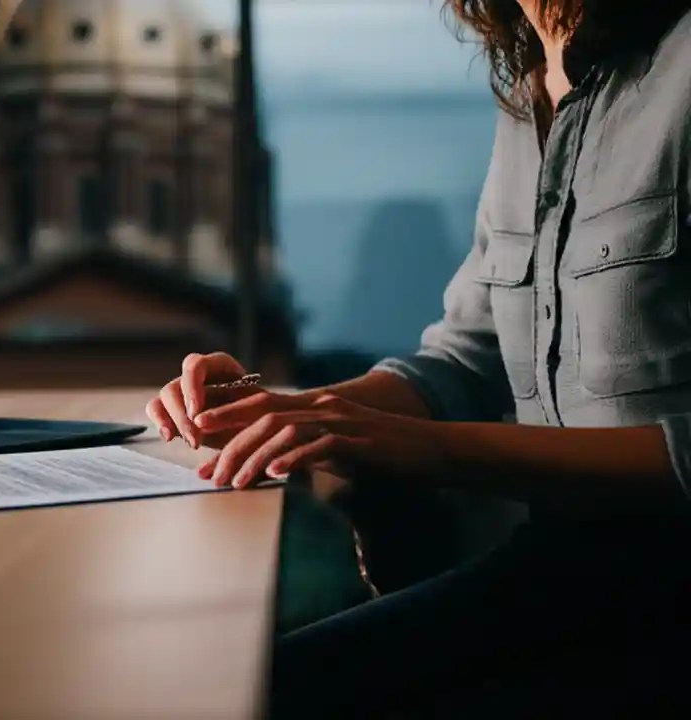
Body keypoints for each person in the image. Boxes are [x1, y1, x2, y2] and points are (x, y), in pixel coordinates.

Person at [146, 0, 691, 716]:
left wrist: (431, 449)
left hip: (663, 598)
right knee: (225, 684)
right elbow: (467, 357)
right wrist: (291, 411)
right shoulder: (531, 90)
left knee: (257, 694)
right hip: (562, 568)